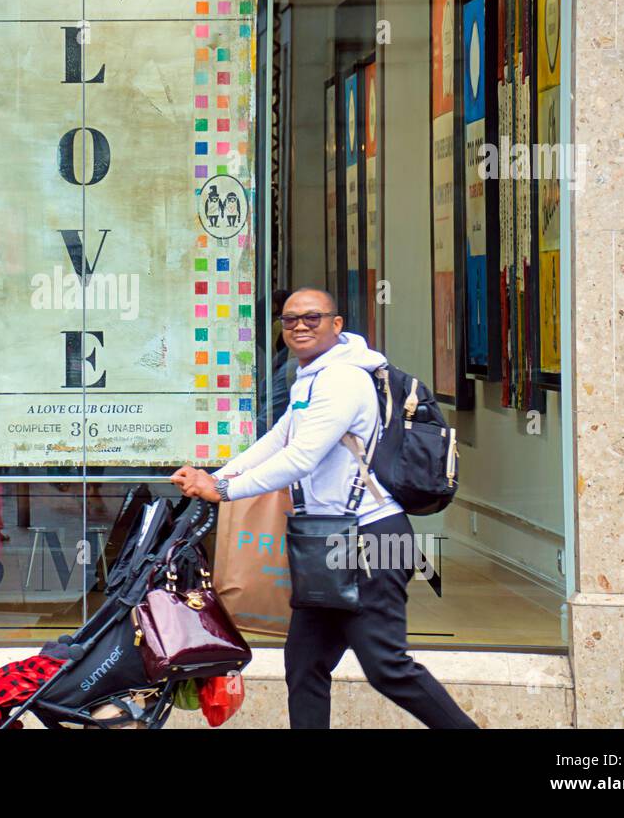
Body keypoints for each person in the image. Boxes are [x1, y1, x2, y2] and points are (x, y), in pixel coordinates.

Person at [171, 288, 477, 730]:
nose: (299, 326)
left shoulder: (343, 380)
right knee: (304, 663)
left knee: (386, 666)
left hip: (372, 537)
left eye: (312, 318)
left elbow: (301, 457)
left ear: (336, 324)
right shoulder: (310, 376)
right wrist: (216, 477)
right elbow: (279, 439)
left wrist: (224, 491)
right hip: (327, 538)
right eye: (290, 319)